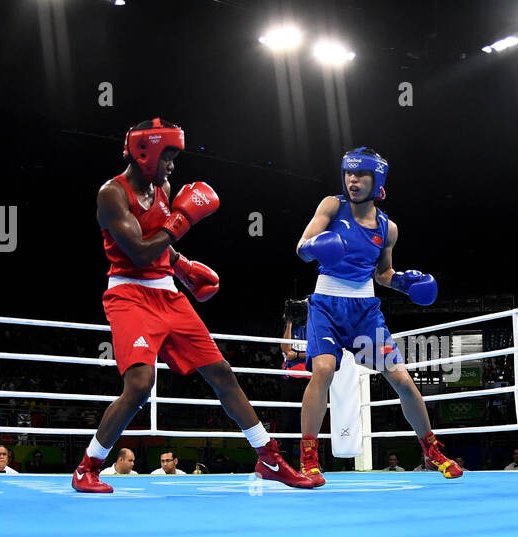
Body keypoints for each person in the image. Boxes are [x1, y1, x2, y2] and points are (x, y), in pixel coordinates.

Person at [73, 117, 313, 492]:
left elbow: (160, 243)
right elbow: (137, 252)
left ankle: (270, 458)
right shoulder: (112, 195)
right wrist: (183, 220)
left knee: (222, 373)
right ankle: (88, 467)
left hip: (168, 293)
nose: (172, 165)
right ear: (145, 152)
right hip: (129, 294)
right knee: (139, 385)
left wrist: (182, 266)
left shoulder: (164, 187)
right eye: (167, 156)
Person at [293, 146, 462, 486]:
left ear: (376, 179)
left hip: (364, 311)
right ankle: (308, 458)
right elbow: (302, 246)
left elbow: (382, 273)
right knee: (323, 368)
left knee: (400, 378)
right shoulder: (331, 205)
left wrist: (404, 283)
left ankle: (431, 451)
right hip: (327, 301)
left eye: (361, 175)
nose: (352, 181)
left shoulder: (388, 228)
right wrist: (316, 247)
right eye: (349, 174)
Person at [279, 297, 310, 455]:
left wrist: (296, 355)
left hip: (308, 380)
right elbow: (285, 349)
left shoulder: (311, 328)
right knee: (288, 421)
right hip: (290, 380)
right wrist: (289, 322)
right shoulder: (288, 330)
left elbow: (313, 351)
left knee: (309, 420)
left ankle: (310, 458)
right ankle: (287, 460)